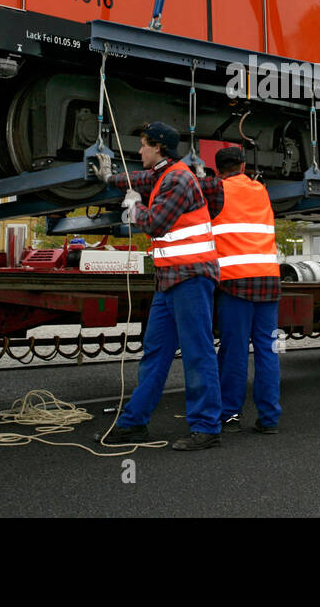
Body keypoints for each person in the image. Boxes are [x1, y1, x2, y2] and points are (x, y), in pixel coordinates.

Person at [95, 122, 224, 451]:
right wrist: (110, 178)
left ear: (159, 148)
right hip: (170, 280)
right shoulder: (165, 174)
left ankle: (207, 428)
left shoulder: (178, 179)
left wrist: (133, 207)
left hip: (191, 278)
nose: (138, 152)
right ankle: (133, 423)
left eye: (143, 145)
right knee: (155, 353)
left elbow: (154, 223)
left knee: (197, 354)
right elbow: (137, 179)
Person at [209, 146, 282, 433]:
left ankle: (229, 414)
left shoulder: (216, 190)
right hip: (269, 280)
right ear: (242, 166)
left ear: (218, 170)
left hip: (235, 283)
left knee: (235, 351)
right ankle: (270, 418)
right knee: (268, 350)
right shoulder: (260, 190)